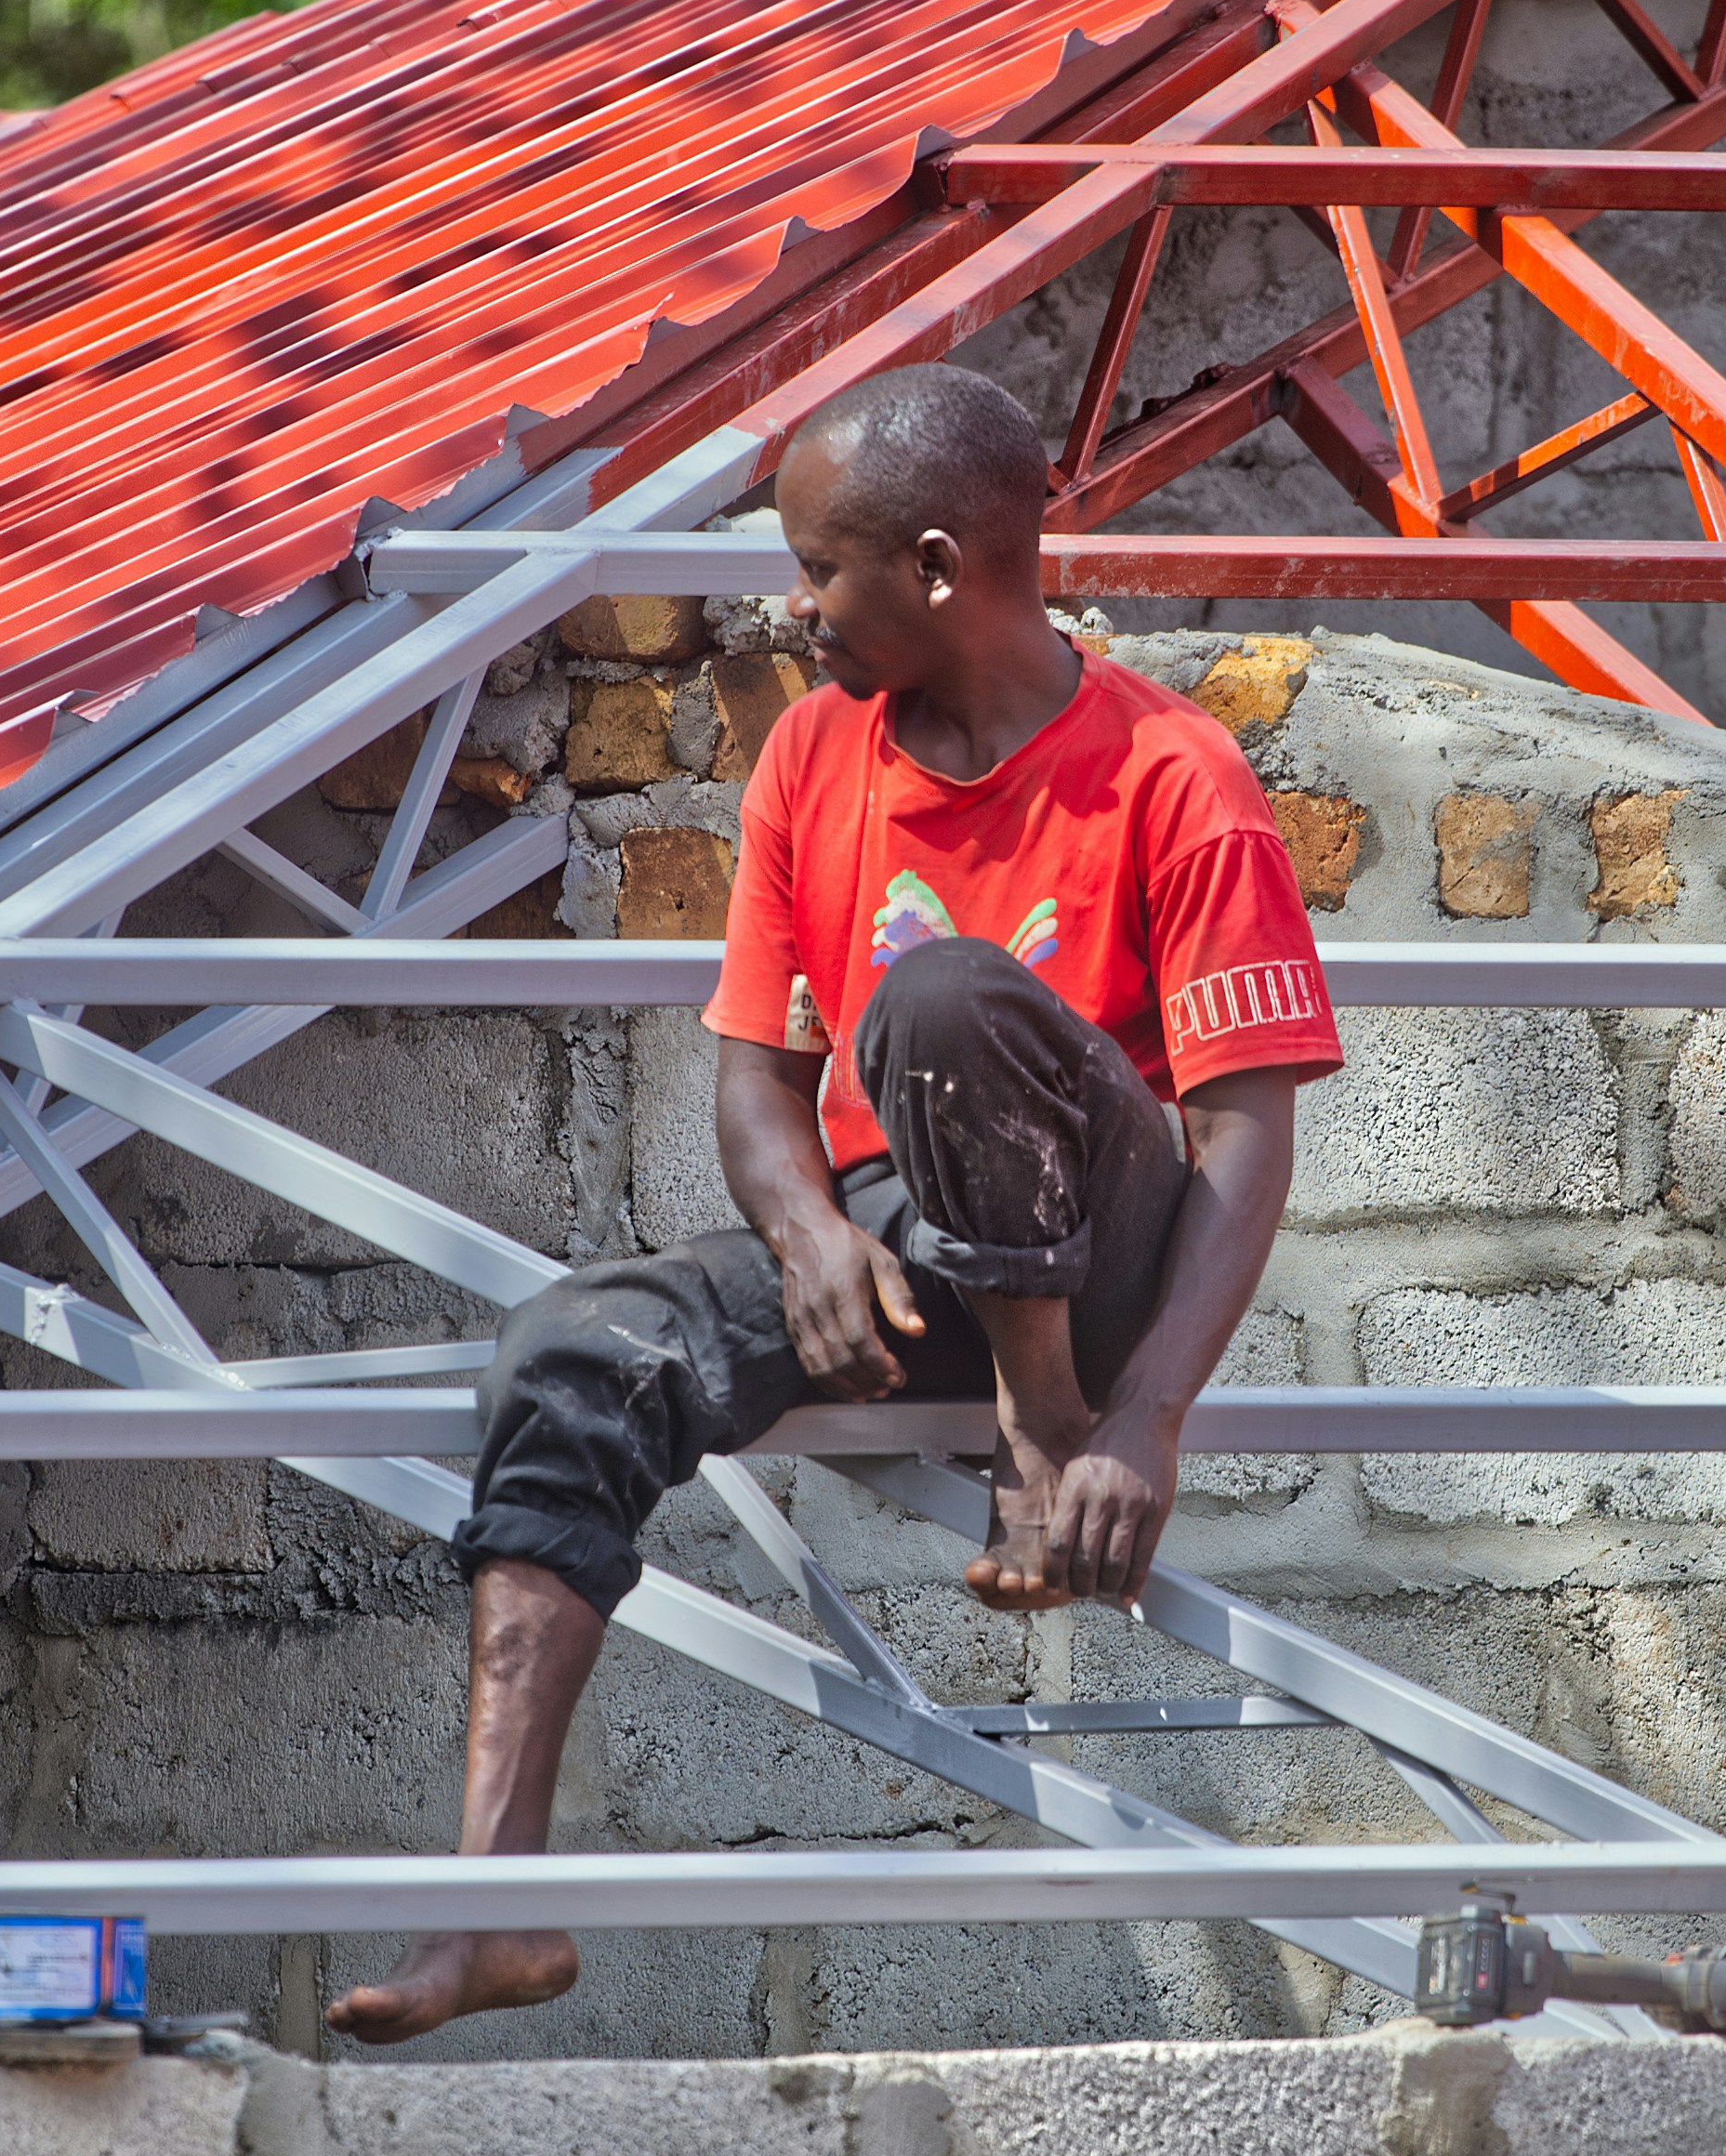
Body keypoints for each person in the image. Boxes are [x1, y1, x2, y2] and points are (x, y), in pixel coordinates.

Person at [329, 363, 1343, 2044]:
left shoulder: (1173, 772)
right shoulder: (812, 754)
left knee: (943, 996)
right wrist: (808, 1239)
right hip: (895, 1245)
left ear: (937, 569)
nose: (796, 612)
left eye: (819, 571)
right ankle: (490, 1911)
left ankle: (1031, 1430)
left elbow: (1246, 1136)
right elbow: (754, 1083)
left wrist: (1138, 1417)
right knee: (570, 1354)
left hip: (1094, 1263)